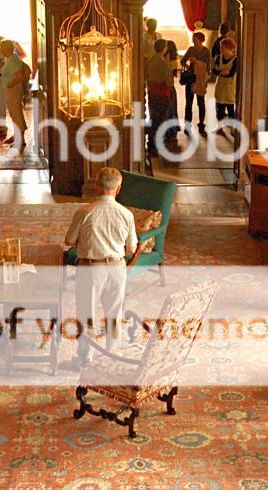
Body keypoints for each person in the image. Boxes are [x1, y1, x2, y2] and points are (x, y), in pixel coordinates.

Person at [64, 167, 137, 367]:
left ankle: (85, 357)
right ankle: (112, 357)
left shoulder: (84, 212)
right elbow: (131, 248)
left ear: (96, 186)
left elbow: (69, 240)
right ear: (119, 189)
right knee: (114, 314)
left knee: (86, 314)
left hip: (90, 268)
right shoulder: (127, 214)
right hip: (116, 268)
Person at [145, 38, 175, 156]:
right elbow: (169, 81)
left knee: (154, 118)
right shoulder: (163, 63)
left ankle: (151, 143)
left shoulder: (151, 60)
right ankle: (156, 145)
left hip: (152, 93)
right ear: (164, 49)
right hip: (163, 94)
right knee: (161, 120)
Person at [0, 39, 30, 151]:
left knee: (17, 114)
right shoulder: (11, 59)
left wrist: (9, 85)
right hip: (12, 90)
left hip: (13, 90)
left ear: (5, 48)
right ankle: (17, 137)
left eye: (1, 47)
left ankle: (21, 140)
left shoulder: (13, 60)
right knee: (15, 114)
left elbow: (20, 76)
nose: (0, 50)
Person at [181, 31, 211, 135]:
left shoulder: (206, 51)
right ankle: (187, 125)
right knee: (188, 103)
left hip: (200, 80)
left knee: (201, 103)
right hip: (191, 78)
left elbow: (208, 66)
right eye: (193, 39)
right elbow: (183, 61)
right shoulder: (191, 49)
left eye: (195, 39)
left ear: (201, 40)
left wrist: (196, 62)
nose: (193, 41)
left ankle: (201, 124)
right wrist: (188, 64)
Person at [212, 37, 238, 138]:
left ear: (229, 48)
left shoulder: (235, 59)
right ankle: (220, 128)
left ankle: (232, 129)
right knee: (220, 109)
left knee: (231, 109)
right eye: (220, 47)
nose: (221, 49)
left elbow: (231, 73)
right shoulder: (218, 57)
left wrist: (220, 71)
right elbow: (214, 71)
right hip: (220, 86)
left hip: (230, 87)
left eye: (223, 47)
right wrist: (222, 72)